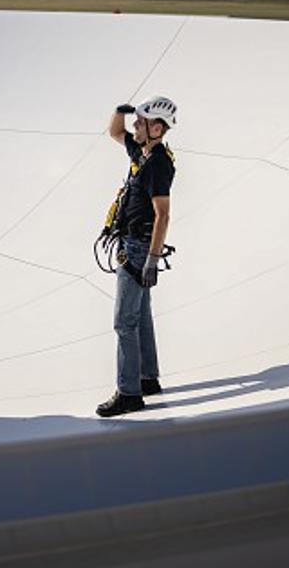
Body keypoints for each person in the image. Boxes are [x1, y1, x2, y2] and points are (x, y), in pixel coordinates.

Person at [97, 95, 177, 418]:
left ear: (156, 129)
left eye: (140, 123)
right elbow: (115, 132)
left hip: (138, 249)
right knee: (141, 315)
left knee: (124, 323)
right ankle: (147, 378)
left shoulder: (157, 163)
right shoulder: (142, 153)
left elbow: (163, 215)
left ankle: (129, 394)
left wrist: (152, 260)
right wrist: (121, 110)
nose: (134, 127)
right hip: (134, 244)